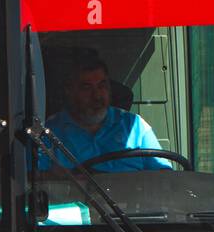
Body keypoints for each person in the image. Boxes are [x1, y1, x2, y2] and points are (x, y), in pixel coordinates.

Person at [40, 57, 169, 173]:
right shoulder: (48, 133)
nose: (97, 96)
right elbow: (34, 180)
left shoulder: (135, 126)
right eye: (87, 88)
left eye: (102, 86)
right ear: (69, 91)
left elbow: (165, 180)